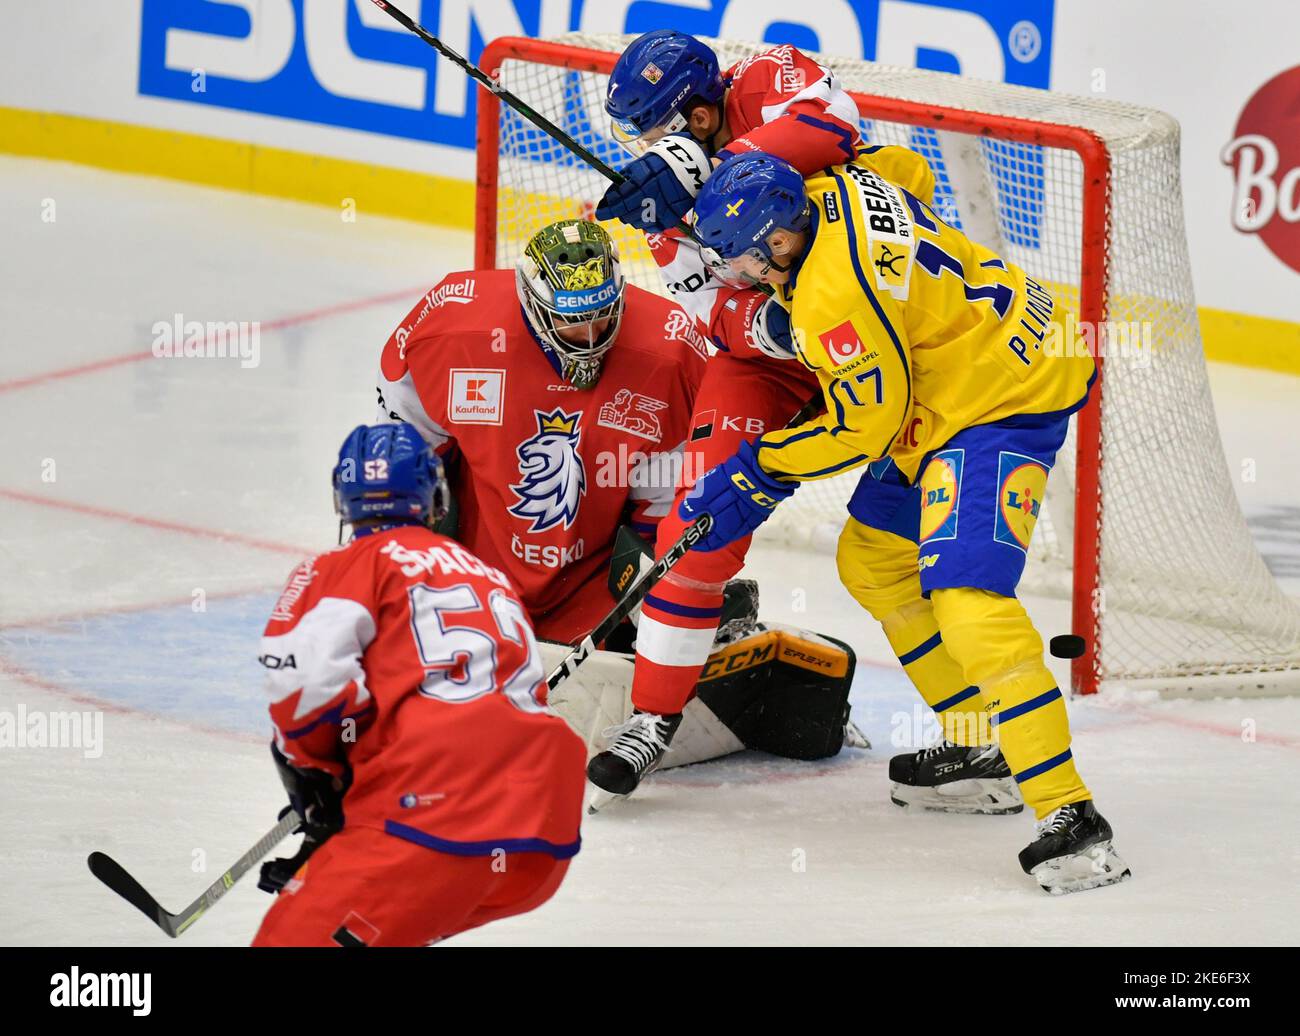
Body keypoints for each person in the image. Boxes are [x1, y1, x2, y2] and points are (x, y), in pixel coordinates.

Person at [681, 151, 1130, 894]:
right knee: (873, 559)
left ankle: (1074, 817)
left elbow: (861, 426)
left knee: (967, 601)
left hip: (1002, 399)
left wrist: (760, 469)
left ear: (783, 242)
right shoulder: (835, 183)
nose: (743, 276)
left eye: (748, 261)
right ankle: (979, 746)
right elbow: (911, 171)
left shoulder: (829, 300)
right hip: (957, 376)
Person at [587, 31, 935, 794]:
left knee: (928, 553)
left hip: (893, 332)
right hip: (772, 360)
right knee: (698, 524)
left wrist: (702, 172)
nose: (645, 147)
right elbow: (706, 307)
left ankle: (983, 735)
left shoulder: (771, 75)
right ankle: (654, 717)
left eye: (655, 127)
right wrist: (776, 328)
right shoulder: (661, 205)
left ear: (700, 116)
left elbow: (832, 126)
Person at [252, 423, 587, 945]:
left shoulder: (341, 567)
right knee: (388, 925)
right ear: (435, 496)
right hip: (540, 825)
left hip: (431, 813)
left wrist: (319, 778)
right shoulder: (486, 574)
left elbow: (306, 687)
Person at [375, 218, 707, 645]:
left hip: (594, 591)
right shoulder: (454, 329)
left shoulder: (669, 355)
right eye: (571, 321)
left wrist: (654, 592)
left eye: (601, 318)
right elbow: (403, 452)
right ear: (533, 303)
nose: (589, 337)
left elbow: (664, 502)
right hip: (467, 578)